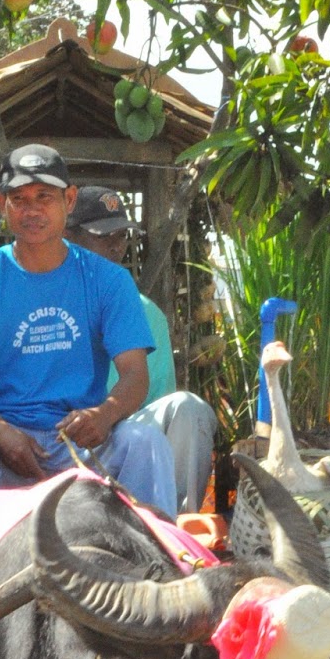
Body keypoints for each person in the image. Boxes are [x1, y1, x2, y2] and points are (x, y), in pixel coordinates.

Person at [0, 144, 177, 515]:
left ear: (70, 199)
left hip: (84, 444)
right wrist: (1, 432)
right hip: (3, 444)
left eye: (45, 196)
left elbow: (134, 374)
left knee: (144, 441)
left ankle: (165, 559)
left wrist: (104, 416)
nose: (32, 209)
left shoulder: (108, 280)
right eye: (19, 198)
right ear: (1, 204)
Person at [65, 185, 217, 514]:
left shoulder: (147, 313)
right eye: (102, 236)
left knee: (187, 408)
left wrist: (109, 418)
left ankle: (175, 530)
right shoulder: (42, 296)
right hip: (59, 435)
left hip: (122, 436)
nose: (116, 247)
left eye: (121, 236)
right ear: (68, 236)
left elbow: (156, 401)